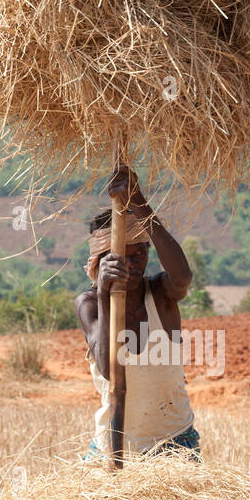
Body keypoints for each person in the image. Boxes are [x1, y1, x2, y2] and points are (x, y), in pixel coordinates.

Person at [74, 167, 202, 461]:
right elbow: (109, 367)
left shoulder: (159, 294)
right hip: (112, 448)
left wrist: (139, 202)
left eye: (140, 253)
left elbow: (182, 276)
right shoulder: (90, 303)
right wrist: (106, 293)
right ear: (100, 261)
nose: (133, 264)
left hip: (173, 443)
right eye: (123, 257)